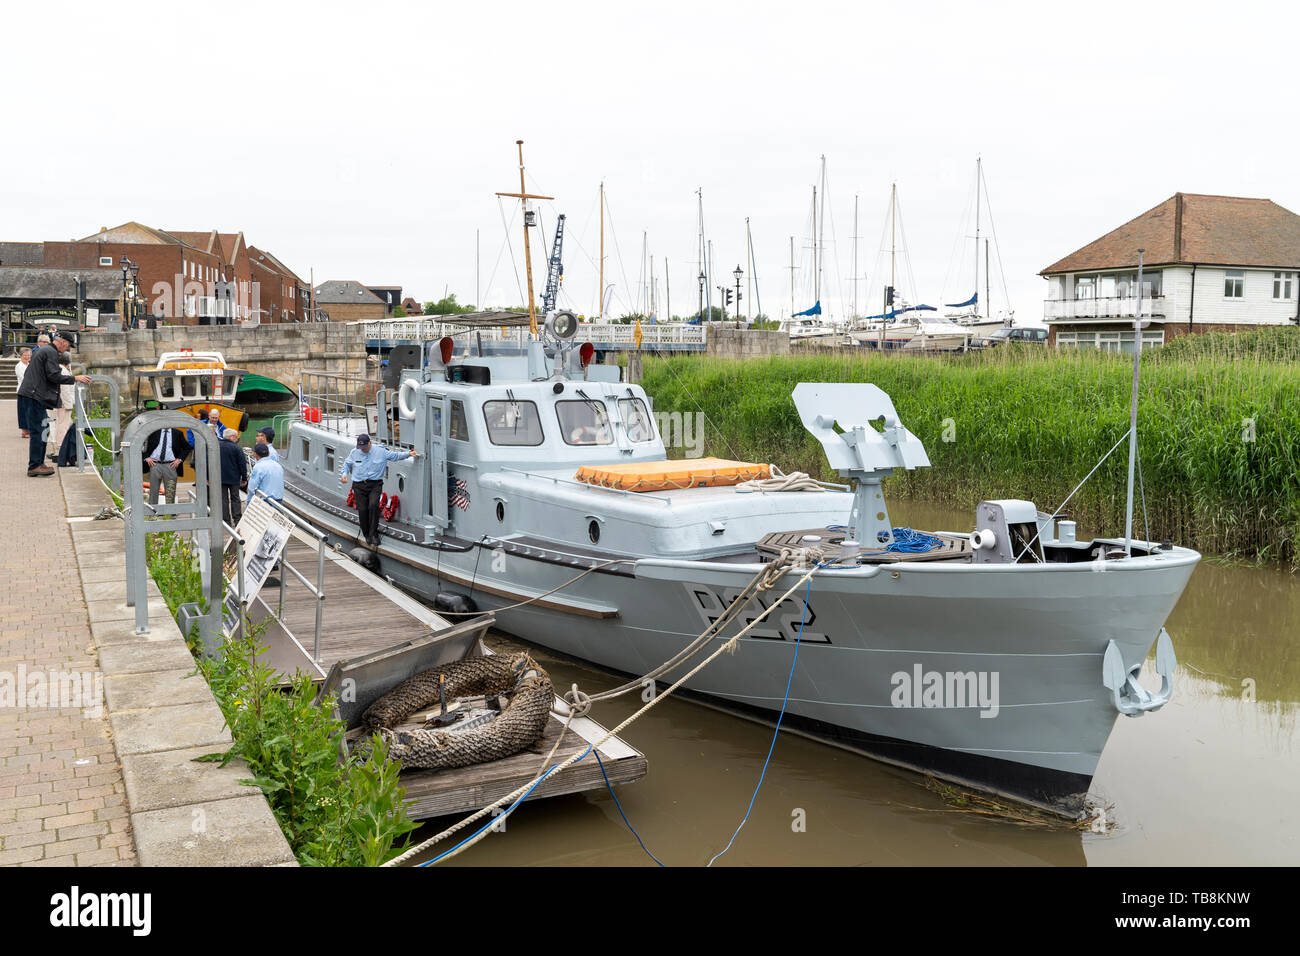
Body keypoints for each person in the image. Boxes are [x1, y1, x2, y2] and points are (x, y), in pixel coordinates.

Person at [17, 333, 90, 477]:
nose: (68, 349)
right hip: (33, 395)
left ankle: (38, 463)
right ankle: (34, 465)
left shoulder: (46, 351)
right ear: (62, 342)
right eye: (68, 346)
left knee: (43, 429)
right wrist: (75, 378)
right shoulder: (51, 352)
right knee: (39, 430)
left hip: (32, 394)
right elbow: (53, 375)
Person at [339, 432, 418, 547]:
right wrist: (344, 474)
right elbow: (347, 464)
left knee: (373, 505)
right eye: (360, 447)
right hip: (359, 485)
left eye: (364, 447)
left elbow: (395, 456)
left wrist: (409, 454)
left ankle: (373, 534)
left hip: (375, 484)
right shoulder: (354, 452)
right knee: (362, 510)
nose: (363, 450)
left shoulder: (380, 451)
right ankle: (366, 534)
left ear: (370, 443)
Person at [141, 425, 191, 506]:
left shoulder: (178, 433)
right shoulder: (154, 432)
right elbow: (141, 445)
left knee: (170, 490)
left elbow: (187, 447)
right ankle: (152, 514)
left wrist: (179, 459)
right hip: (154, 464)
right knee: (153, 490)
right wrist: (146, 457)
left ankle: (170, 513)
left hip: (171, 465)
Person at [218, 429, 248, 526]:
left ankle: (226, 521)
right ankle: (237, 519)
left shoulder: (216, 446)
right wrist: (244, 478)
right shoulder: (236, 448)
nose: (237, 439)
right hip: (234, 478)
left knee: (223, 499)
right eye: (236, 437)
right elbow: (242, 464)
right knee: (235, 498)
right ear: (231, 437)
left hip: (220, 478)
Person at [49, 352, 76, 459]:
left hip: (62, 402)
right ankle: (61, 448)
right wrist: (69, 404)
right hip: (64, 403)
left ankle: (61, 447)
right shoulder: (63, 370)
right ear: (68, 361)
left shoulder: (61, 369)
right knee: (62, 425)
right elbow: (65, 390)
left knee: (63, 424)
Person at [14, 348, 31, 437]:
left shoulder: (30, 364)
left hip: (29, 391)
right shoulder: (19, 366)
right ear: (21, 355)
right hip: (23, 390)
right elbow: (24, 378)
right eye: (25, 355)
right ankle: (25, 431)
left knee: (28, 411)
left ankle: (26, 431)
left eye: (28, 355)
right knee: (23, 411)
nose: (27, 357)